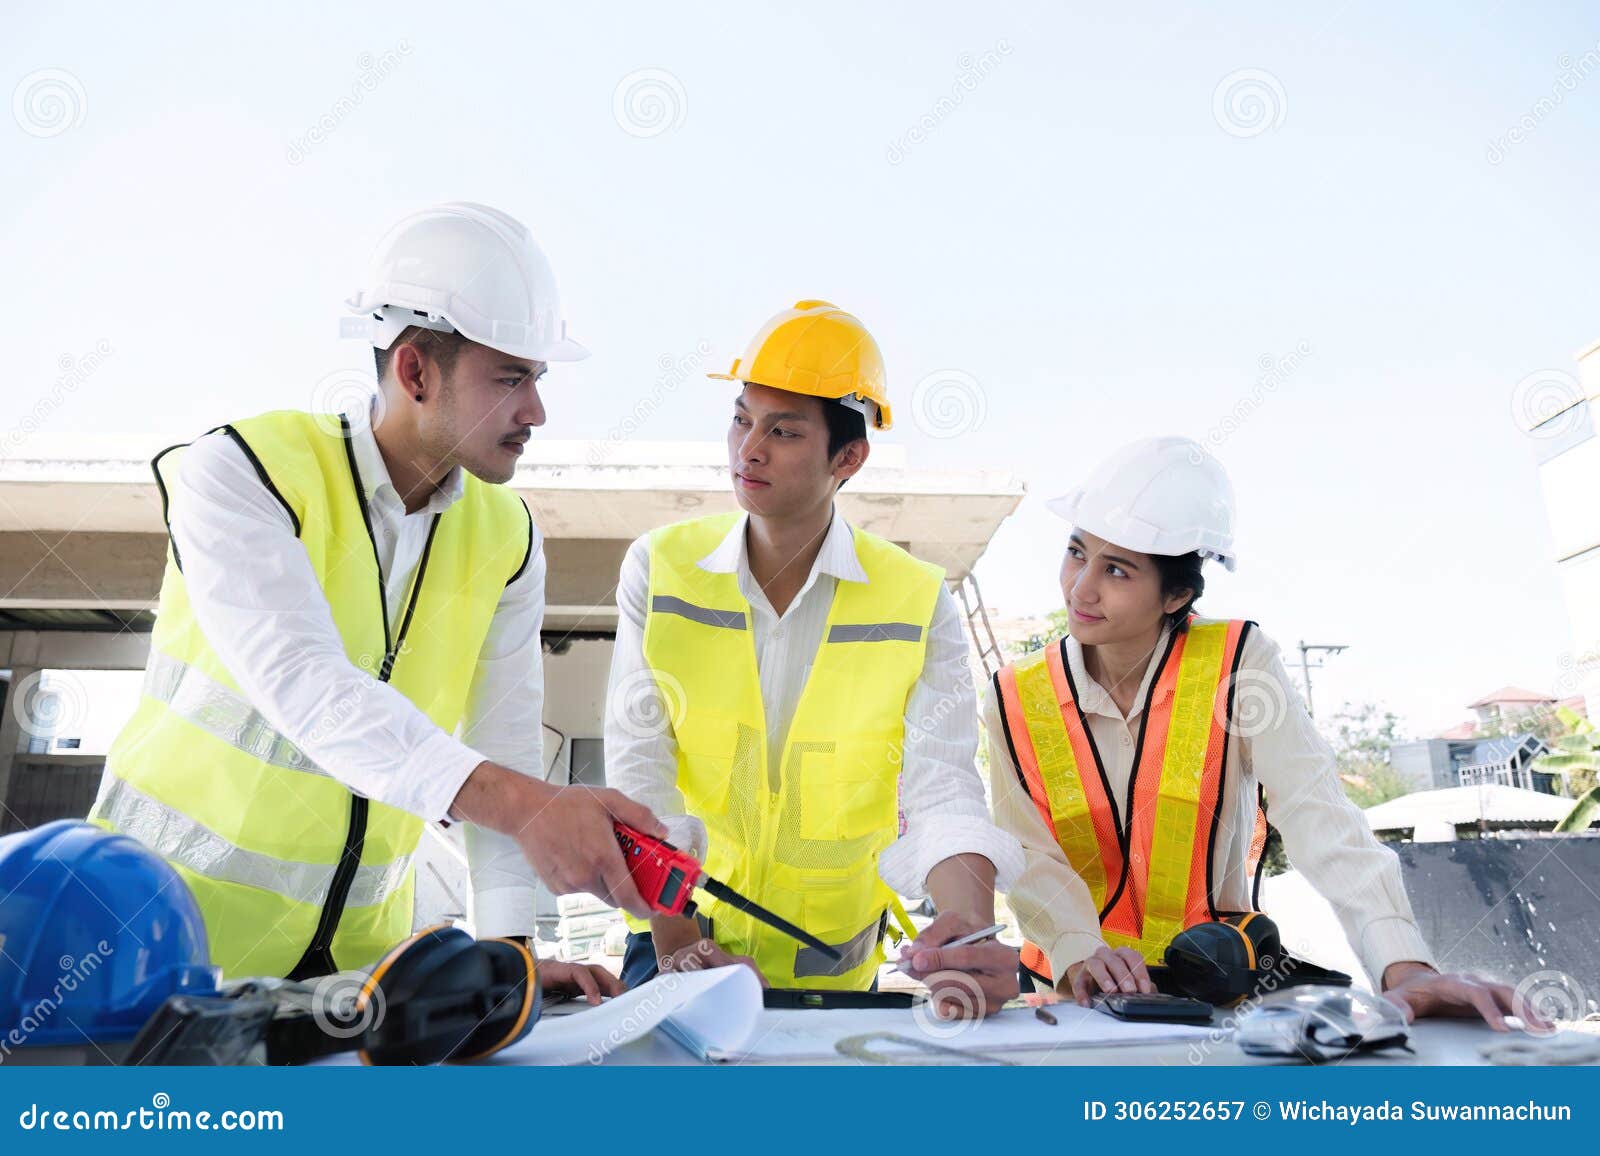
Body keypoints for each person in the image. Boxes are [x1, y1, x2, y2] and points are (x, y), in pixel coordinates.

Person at [90, 202, 662, 1002]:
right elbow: (307, 684)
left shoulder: (506, 537)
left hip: (356, 983)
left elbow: (503, 745)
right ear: (416, 372)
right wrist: (530, 807)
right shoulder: (244, 472)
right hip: (152, 950)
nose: (537, 411)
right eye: (510, 378)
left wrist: (510, 960)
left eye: (538, 379)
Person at [989, 436, 1537, 1030]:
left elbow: (1317, 813)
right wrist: (1079, 953)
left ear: (1177, 594)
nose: (1080, 588)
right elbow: (1028, 853)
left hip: (1218, 1002)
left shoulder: (1239, 665)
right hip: (1066, 1001)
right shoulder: (1015, 694)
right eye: (1076, 552)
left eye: (1116, 570)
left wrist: (1404, 966)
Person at [605, 300, 1024, 1016]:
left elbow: (941, 788)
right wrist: (679, 945)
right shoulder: (661, 568)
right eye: (741, 419)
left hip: (833, 968)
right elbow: (639, 765)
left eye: (784, 431)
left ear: (848, 458)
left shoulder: (918, 600)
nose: (749, 449)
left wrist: (968, 933)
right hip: (677, 938)